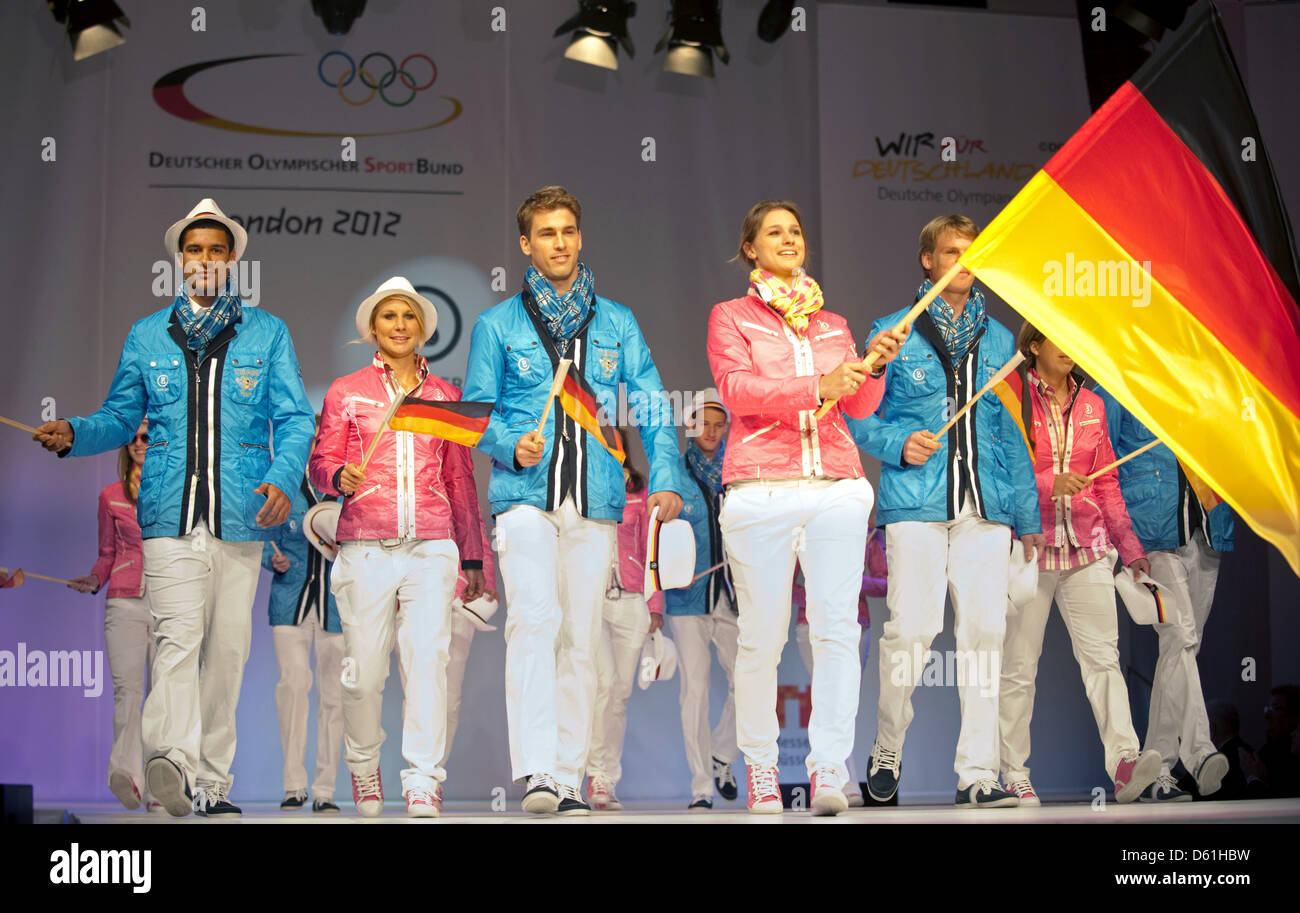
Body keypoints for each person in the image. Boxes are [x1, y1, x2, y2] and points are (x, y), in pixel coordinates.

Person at [35, 198, 316, 817]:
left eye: (218, 250)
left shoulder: (266, 332)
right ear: (180, 259)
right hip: (166, 511)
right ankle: (171, 759)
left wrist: (280, 480)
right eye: (196, 249)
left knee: (228, 652)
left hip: (241, 514)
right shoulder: (147, 334)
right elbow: (119, 416)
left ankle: (214, 782)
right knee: (177, 638)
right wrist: (75, 434)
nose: (206, 259)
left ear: (234, 259)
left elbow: (296, 417)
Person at [464, 186, 684, 816]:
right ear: (526, 245)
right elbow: (478, 412)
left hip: (594, 499)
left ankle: (566, 776)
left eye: (568, 231)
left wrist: (665, 474)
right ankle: (535, 771)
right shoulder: (497, 324)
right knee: (534, 623)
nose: (559, 243)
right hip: (524, 499)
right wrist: (511, 444)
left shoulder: (616, 321)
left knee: (581, 639)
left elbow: (648, 402)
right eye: (546, 233)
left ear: (579, 238)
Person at [707, 200, 905, 816]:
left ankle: (828, 772)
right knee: (761, 640)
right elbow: (737, 392)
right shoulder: (731, 316)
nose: (788, 239)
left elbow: (862, 407)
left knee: (837, 633)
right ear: (751, 248)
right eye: (774, 232)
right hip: (760, 490)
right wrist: (819, 386)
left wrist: (872, 366)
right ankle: (762, 771)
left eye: (795, 231)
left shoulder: (834, 324)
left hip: (837, 487)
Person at [857, 214, 1044, 809]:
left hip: (985, 510)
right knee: (911, 631)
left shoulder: (1000, 341)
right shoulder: (892, 331)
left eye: (971, 252)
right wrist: (897, 445)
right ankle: (888, 747)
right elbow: (858, 414)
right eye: (951, 251)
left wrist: (1029, 517)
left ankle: (978, 771)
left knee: (986, 633)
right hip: (916, 504)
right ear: (928, 260)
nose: (962, 260)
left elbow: (1016, 436)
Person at [309, 276, 485, 818]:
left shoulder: (443, 396)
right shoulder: (347, 390)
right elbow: (319, 462)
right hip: (365, 543)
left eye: (409, 316)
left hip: (431, 546)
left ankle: (423, 778)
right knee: (362, 674)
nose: (400, 325)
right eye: (389, 317)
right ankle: (363, 768)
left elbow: (460, 480)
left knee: (429, 663)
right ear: (373, 329)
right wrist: (337, 475)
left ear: (423, 328)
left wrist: (473, 555)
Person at [997, 324, 1162, 805]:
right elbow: (1003, 470)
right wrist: (1051, 482)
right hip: (1030, 547)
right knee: (1018, 668)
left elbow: (1107, 484)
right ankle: (1013, 772)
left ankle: (1125, 763)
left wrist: (1129, 550)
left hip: (1088, 549)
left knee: (1103, 661)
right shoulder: (1014, 394)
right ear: (1034, 347)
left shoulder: (1092, 404)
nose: (1070, 347)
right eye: (1058, 338)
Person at [1096, 386, 1233, 801]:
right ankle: (1200, 752)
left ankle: (1158, 769)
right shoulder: (1118, 384)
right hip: (1152, 530)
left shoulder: (1204, 385)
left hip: (1206, 526)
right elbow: (1105, 466)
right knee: (1180, 637)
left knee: (1181, 651)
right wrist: (1123, 539)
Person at [67, 420, 162, 812]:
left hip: (166, 600)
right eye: (134, 438)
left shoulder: (171, 490)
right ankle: (126, 774)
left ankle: (160, 785)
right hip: (123, 599)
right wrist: (94, 578)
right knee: (127, 693)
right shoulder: (110, 495)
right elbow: (107, 553)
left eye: (147, 437)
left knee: (163, 694)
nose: (140, 443)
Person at [663, 389, 741, 811]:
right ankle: (700, 787)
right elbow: (655, 538)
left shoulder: (740, 471)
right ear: (689, 426)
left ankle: (722, 754)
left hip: (733, 595)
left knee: (747, 681)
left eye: (718, 423)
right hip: (686, 597)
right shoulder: (670, 474)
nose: (710, 431)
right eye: (702, 423)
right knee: (693, 691)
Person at [263, 422, 344, 815]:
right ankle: (293, 784)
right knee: (292, 688)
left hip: (335, 606)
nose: (313, 448)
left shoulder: (345, 488)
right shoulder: (282, 486)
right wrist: (270, 559)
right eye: (307, 442)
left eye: (318, 441)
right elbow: (259, 535)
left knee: (334, 697)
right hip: (289, 599)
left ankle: (325, 789)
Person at [791, 525, 885, 806]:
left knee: (843, 700)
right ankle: (843, 781)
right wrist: (819, 593)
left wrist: (854, 581)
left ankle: (840, 778)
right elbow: (788, 586)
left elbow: (885, 582)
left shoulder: (868, 533)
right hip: (811, 624)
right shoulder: (803, 530)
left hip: (856, 621)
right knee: (828, 697)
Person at [587, 456, 661, 811]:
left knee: (620, 691)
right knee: (601, 685)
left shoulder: (638, 492)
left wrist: (656, 604)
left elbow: (652, 550)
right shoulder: (581, 483)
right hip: (594, 600)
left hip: (632, 600)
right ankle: (595, 774)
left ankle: (608, 774)